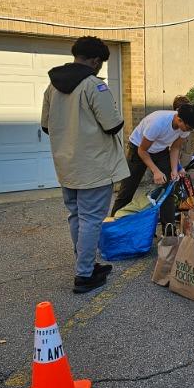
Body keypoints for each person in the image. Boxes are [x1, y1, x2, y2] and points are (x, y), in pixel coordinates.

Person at [41, 36, 129, 294]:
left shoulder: (52, 86)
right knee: (91, 220)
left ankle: (86, 264)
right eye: (101, 63)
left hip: (66, 165)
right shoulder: (94, 85)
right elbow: (112, 125)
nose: (100, 67)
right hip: (94, 167)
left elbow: (46, 126)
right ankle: (84, 275)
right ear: (95, 61)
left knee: (76, 216)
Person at [111, 103, 194, 230]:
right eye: (188, 128)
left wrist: (174, 170)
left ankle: (169, 230)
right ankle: (112, 226)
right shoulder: (158, 123)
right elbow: (142, 150)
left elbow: (175, 148)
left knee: (168, 190)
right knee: (127, 190)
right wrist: (155, 171)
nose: (189, 131)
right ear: (179, 119)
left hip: (160, 150)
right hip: (138, 149)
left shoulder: (185, 128)